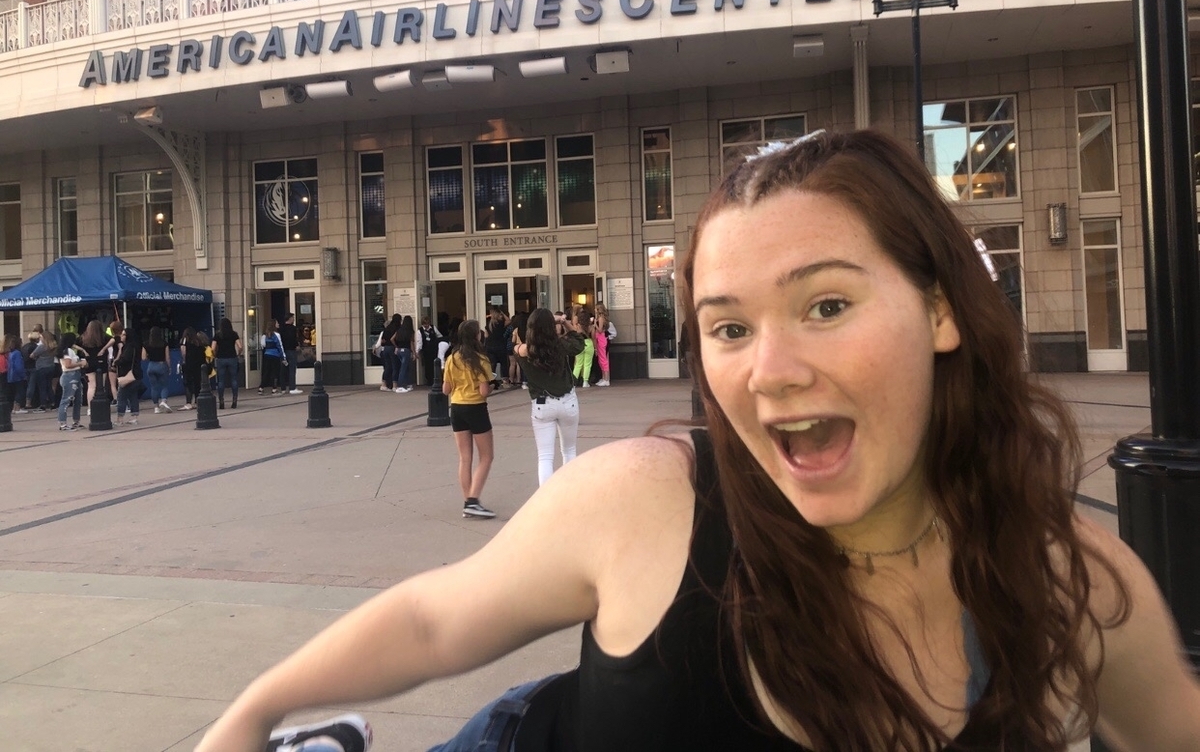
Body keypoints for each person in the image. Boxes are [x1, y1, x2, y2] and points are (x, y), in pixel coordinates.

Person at [195, 130, 1200, 752]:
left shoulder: (1069, 582)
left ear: (939, 309)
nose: (770, 370)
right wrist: (252, 710)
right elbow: (431, 621)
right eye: (729, 327)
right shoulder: (648, 501)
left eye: (826, 304)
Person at [515, 307, 585, 486]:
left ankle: (546, 497)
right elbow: (579, 342)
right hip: (567, 402)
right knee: (569, 450)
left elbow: (516, 347)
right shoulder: (560, 346)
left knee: (545, 456)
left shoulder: (523, 351)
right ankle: (570, 491)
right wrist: (564, 321)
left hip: (542, 404)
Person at [441, 319, 496, 519]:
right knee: (487, 456)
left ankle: (467, 502)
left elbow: (445, 389)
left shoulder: (452, 359)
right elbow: (483, 391)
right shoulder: (481, 360)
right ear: (476, 336)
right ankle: (473, 500)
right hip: (476, 408)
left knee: (465, 458)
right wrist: (492, 386)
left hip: (456, 408)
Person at [113, 327, 143, 426]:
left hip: (127, 375)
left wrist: (116, 362)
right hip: (136, 374)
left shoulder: (129, 347)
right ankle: (134, 417)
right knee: (133, 396)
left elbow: (125, 359)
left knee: (121, 396)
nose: (121, 336)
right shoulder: (136, 346)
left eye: (124, 334)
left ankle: (120, 418)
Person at [56, 333, 85, 431]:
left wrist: (82, 350)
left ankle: (76, 421)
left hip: (75, 375)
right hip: (70, 376)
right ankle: (63, 423)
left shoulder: (70, 350)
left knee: (78, 399)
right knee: (66, 399)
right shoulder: (67, 351)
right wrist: (80, 363)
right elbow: (68, 365)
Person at [213, 317, 244, 409]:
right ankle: (234, 400)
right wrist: (238, 354)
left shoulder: (218, 335)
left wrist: (215, 355)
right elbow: (240, 346)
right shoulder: (234, 334)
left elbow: (213, 348)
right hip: (232, 358)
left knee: (221, 381)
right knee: (234, 379)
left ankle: (221, 401)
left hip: (221, 358)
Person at [144, 327, 173, 413]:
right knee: (164, 385)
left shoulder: (146, 344)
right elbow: (167, 357)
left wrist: (150, 357)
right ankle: (164, 401)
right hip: (161, 365)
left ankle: (156, 407)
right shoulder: (164, 343)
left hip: (151, 366)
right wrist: (169, 367)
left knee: (154, 387)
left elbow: (143, 357)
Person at [570, 304, 595, 388]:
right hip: (589, 343)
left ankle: (573, 383)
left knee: (578, 364)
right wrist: (595, 348)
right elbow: (594, 338)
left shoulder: (578, 327)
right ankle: (585, 381)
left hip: (580, 343)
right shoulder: (591, 327)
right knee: (587, 364)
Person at [182, 326, 206, 408]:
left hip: (188, 364)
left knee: (188, 383)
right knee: (197, 383)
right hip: (198, 365)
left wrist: (184, 360)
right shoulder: (198, 342)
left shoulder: (185, 342)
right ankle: (197, 401)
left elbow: (183, 353)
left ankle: (188, 402)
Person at [377, 314, 402, 392]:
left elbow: (382, 340)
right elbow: (395, 339)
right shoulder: (397, 328)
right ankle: (394, 385)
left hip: (385, 348)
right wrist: (396, 346)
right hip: (392, 348)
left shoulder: (387, 328)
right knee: (395, 366)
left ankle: (383, 384)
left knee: (387, 367)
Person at [260, 320, 285, 395]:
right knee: (275, 372)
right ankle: (274, 388)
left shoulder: (265, 335)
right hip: (275, 355)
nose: (278, 324)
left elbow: (263, 345)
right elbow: (279, 345)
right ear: (274, 325)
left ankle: (261, 388)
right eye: (277, 323)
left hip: (267, 354)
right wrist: (283, 356)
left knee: (266, 371)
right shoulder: (276, 334)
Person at [592, 303, 614, 387]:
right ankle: (604, 377)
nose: (594, 310)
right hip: (599, 338)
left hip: (601, 338)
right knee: (601, 359)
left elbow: (600, 330)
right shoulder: (600, 317)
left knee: (603, 359)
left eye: (596, 308)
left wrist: (595, 325)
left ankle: (606, 379)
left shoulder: (601, 318)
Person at [417, 316, 443, 387]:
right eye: (424, 324)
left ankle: (435, 379)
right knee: (427, 365)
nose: (426, 325)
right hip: (426, 351)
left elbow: (439, 336)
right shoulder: (420, 331)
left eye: (427, 324)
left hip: (434, 349)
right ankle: (429, 380)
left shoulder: (433, 328)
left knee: (434, 364)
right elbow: (419, 342)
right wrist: (417, 351)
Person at [394, 315, 416, 393]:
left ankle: (407, 385)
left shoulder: (399, 330)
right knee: (404, 368)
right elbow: (411, 343)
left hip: (399, 350)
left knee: (404, 367)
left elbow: (392, 339)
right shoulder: (410, 331)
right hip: (406, 350)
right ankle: (400, 386)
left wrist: (396, 346)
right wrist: (414, 353)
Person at [281, 313, 301, 394]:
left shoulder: (281, 328)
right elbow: (293, 338)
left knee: (283, 370)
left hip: (283, 351)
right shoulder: (293, 328)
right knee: (292, 369)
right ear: (289, 318)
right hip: (291, 350)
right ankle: (292, 387)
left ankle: (283, 388)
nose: (294, 319)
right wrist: (296, 345)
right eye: (293, 318)